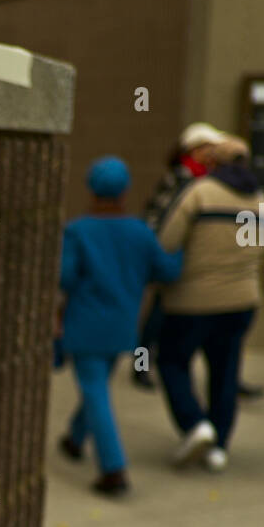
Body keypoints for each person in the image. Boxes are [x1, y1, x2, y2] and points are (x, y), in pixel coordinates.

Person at [58, 157, 183, 496]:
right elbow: (167, 270)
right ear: (125, 192)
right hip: (123, 328)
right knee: (96, 387)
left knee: (95, 390)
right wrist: (188, 248)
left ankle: (113, 469)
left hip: (85, 326)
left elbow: (64, 278)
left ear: (91, 190)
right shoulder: (140, 232)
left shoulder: (78, 231)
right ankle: (74, 437)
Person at [154, 136, 264, 472]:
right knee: (225, 372)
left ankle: (194, 423)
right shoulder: (263, 202)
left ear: (214, 163)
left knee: (172, 362)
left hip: (191, 301)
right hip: (241, 301)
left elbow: (167, 242)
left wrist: (164, 283)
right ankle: (219, 446)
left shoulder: (200, 193)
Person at [131, 122, 223, 391]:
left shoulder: (204, 179)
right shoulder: (180, 178)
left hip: (191, 254)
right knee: (158, 314)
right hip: (172, 253)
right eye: (208, 148)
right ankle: (141, 366)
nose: (212, 154)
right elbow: (157, 217)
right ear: (194, 149)